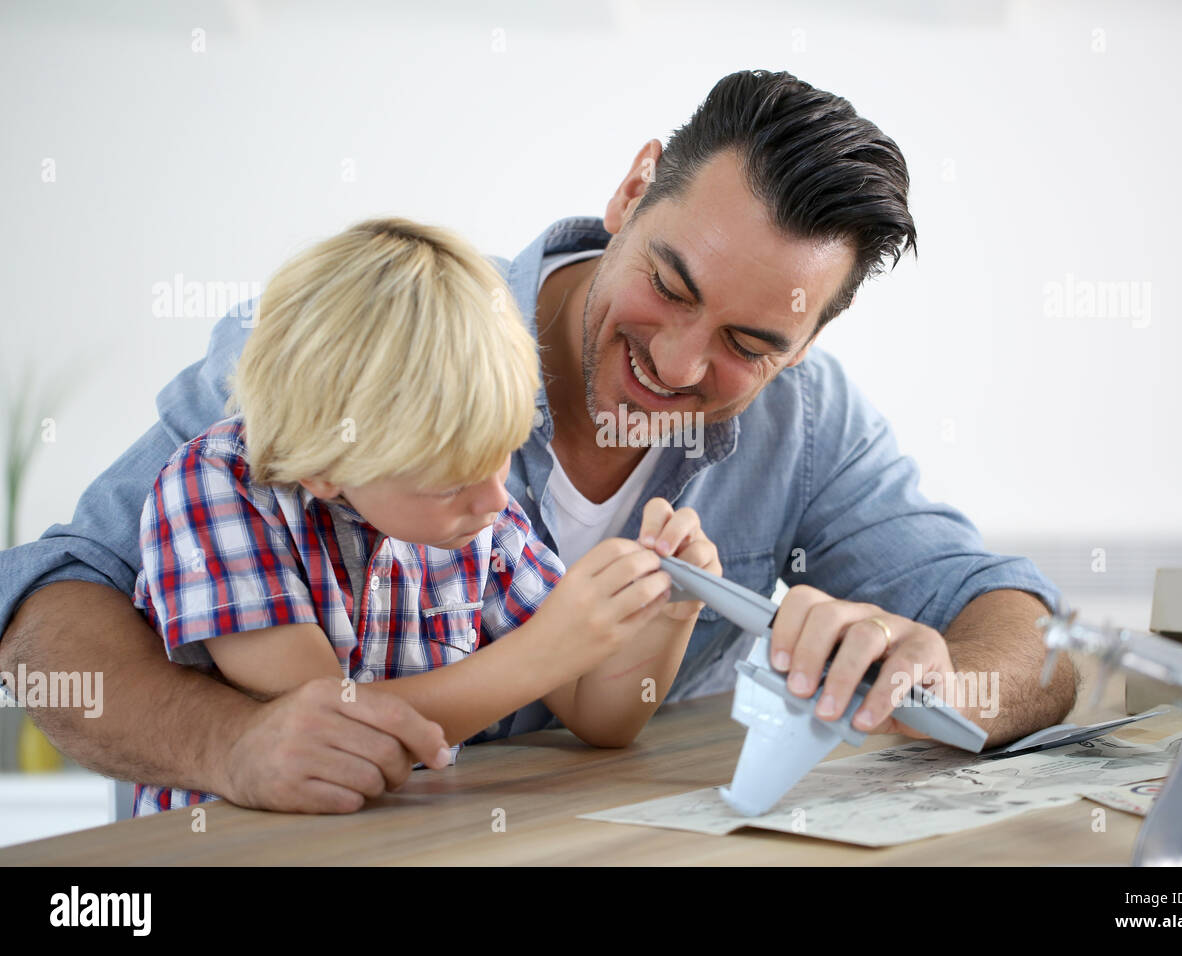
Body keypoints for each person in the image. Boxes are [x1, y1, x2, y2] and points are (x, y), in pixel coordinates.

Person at [0, 69, 1077, 814]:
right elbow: (47, 610)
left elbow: (1027, 630)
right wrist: (223, 745)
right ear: (629, 189)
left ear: (805, 345)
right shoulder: (350, 348)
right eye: (669, 282)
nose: (680, 363)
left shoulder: (808, 424)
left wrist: (945, 684)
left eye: (751, 342)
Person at [125, 217, 717, 814]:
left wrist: (667, 613)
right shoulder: (218, 487)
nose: (494, 499)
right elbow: (331, 729)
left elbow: (601, 717)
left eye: (502, 456)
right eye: (454, 479)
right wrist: (547, 650)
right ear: (326, 464)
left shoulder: (481, 519)